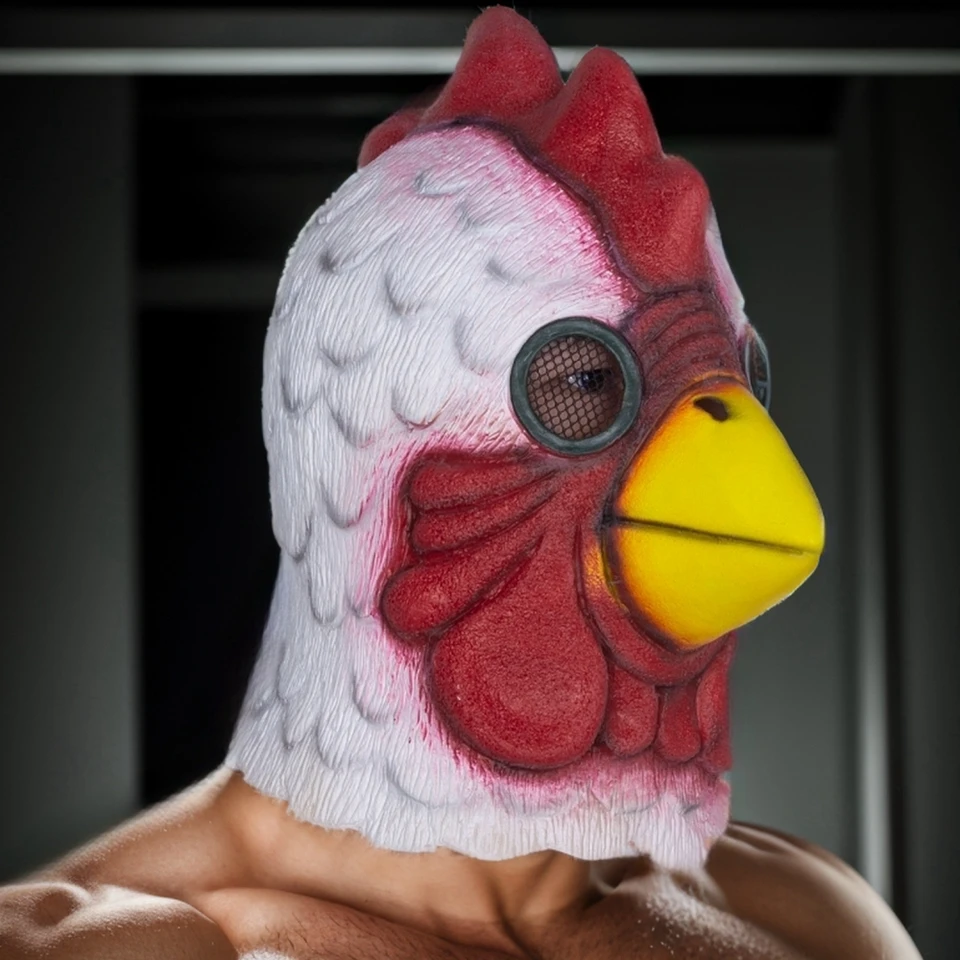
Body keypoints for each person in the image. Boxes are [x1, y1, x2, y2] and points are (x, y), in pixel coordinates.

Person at [0, 8, 923, 959]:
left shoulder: (810, 911)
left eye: (737, 378)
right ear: (367, 466)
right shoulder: (101, 948)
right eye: (584, 382)